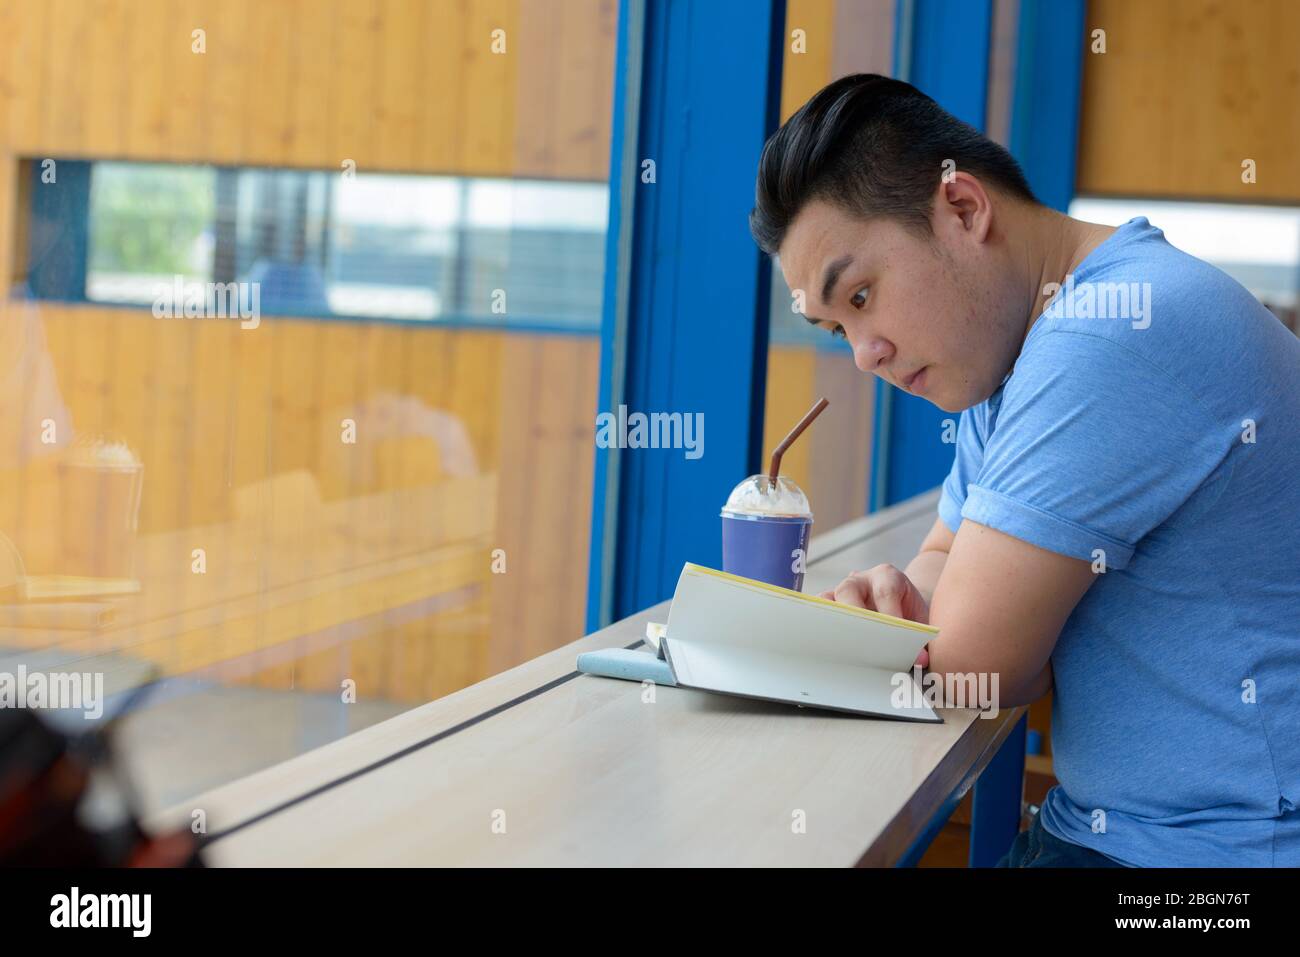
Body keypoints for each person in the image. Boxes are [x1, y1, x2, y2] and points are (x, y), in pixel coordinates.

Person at [750, 73, 1300, 868]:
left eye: (862, 295)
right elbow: (944, 562)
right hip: (1119, 831)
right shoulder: (1015, 352)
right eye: (838, 329)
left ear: (963, 207)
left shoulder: (1111, 335)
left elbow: (978, 662)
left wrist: (931, 627)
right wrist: (901, 598)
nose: (865, 354)